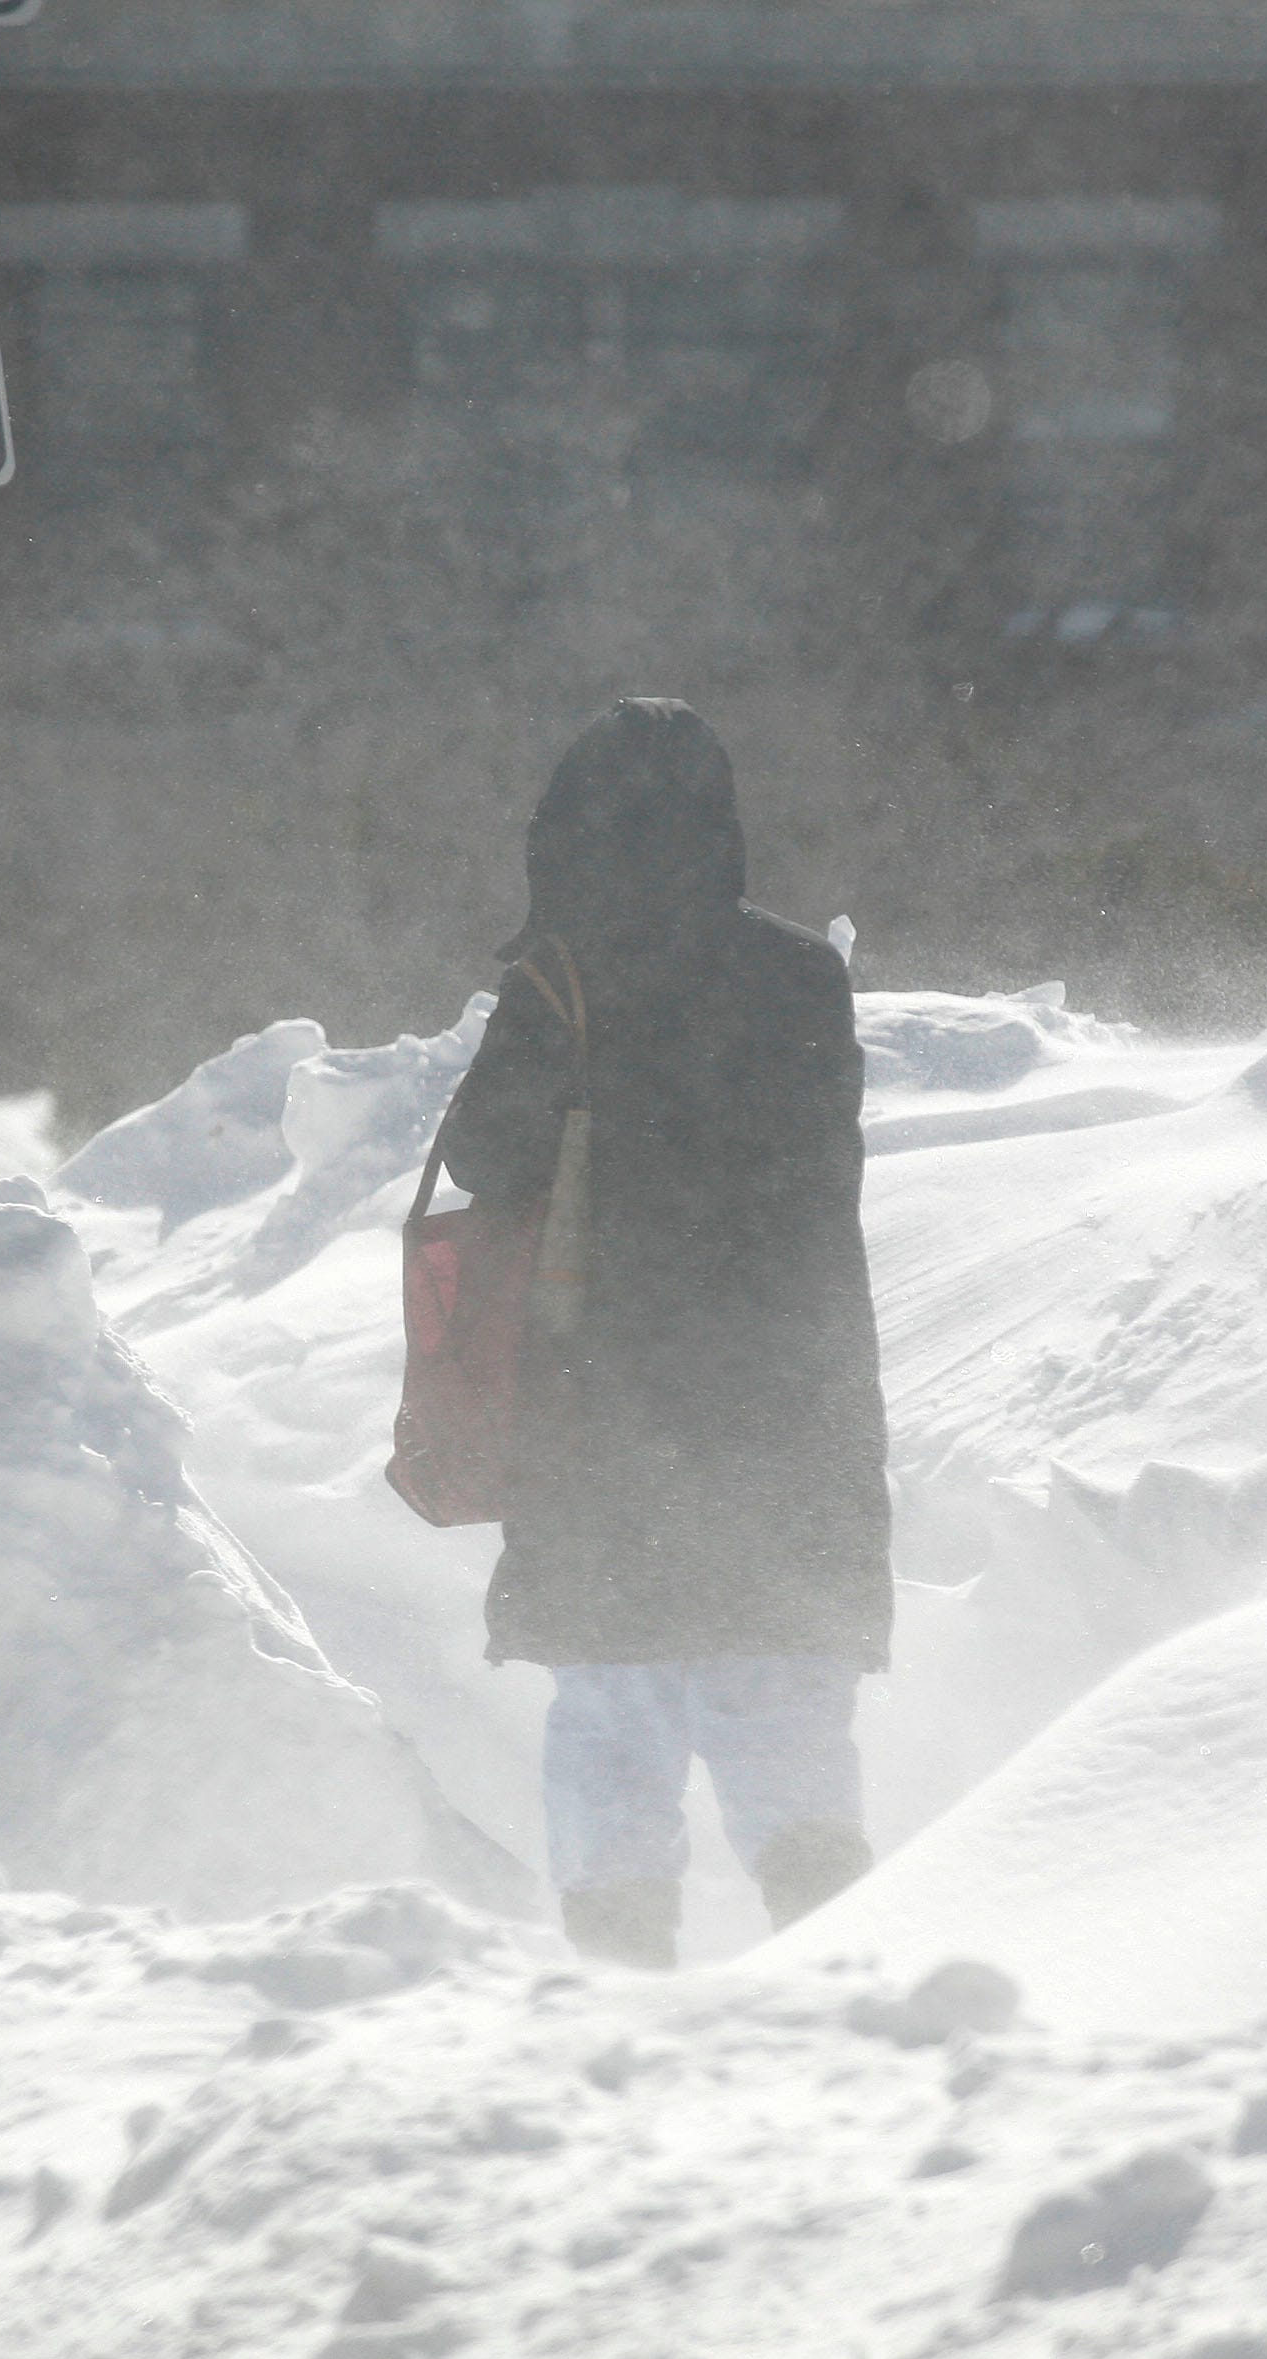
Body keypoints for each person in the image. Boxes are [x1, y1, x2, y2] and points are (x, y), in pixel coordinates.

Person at [436, 699, 893, 1969]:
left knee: (614, 1707)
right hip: (786, 1395)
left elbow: (484, 1154)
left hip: (604, 1408)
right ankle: (845, 1995)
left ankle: (618, 1992)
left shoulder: (564, 981)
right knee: (785, 1702)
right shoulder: (804, 975)